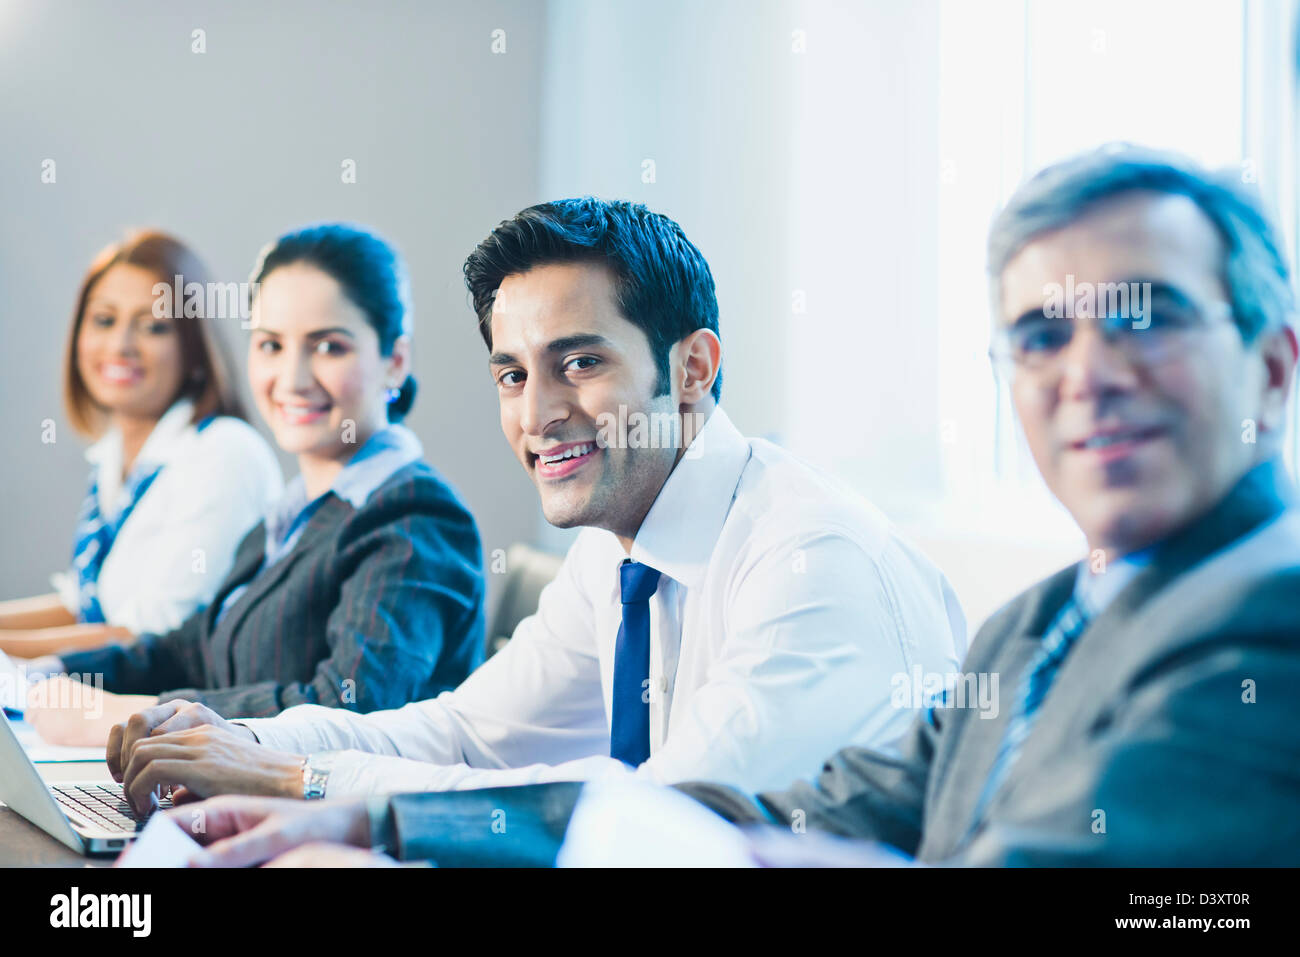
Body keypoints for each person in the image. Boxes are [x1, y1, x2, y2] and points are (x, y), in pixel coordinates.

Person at [168, 146, 1300, 868]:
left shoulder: (1267, 639)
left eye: (1142, 318)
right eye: (1042, 338)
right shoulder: (1043, 621)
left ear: (1273, 366)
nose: (1086, 374)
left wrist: (310, 793)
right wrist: (358, 814)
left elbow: (684, 833)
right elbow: (737, 813)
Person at [109, 197, 966, 816]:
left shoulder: (812, 559)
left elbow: (659, 821)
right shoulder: (621, 542)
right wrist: (256, 744)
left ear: (693, 368)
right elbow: (472, 735)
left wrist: (300, 782)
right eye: (514, 374)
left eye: (580, 363)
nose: (537, 414)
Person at [19, 224, 487, 747]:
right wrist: (50, 671)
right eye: (270, 345)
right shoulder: (296, 511)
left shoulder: (415, 517)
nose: (292, 377)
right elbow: (191, 648)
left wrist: (137, 714)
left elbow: (348, 707)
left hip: (344, 823)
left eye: (329, 347)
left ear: (394, 361)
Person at [0, 230, 281, 659]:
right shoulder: (117, 456)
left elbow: (148, 637)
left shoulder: (225, 453)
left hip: (183, 715)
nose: (120, 346)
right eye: (104, 320)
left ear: (193, 345)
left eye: (153, 326)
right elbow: (85, 608)